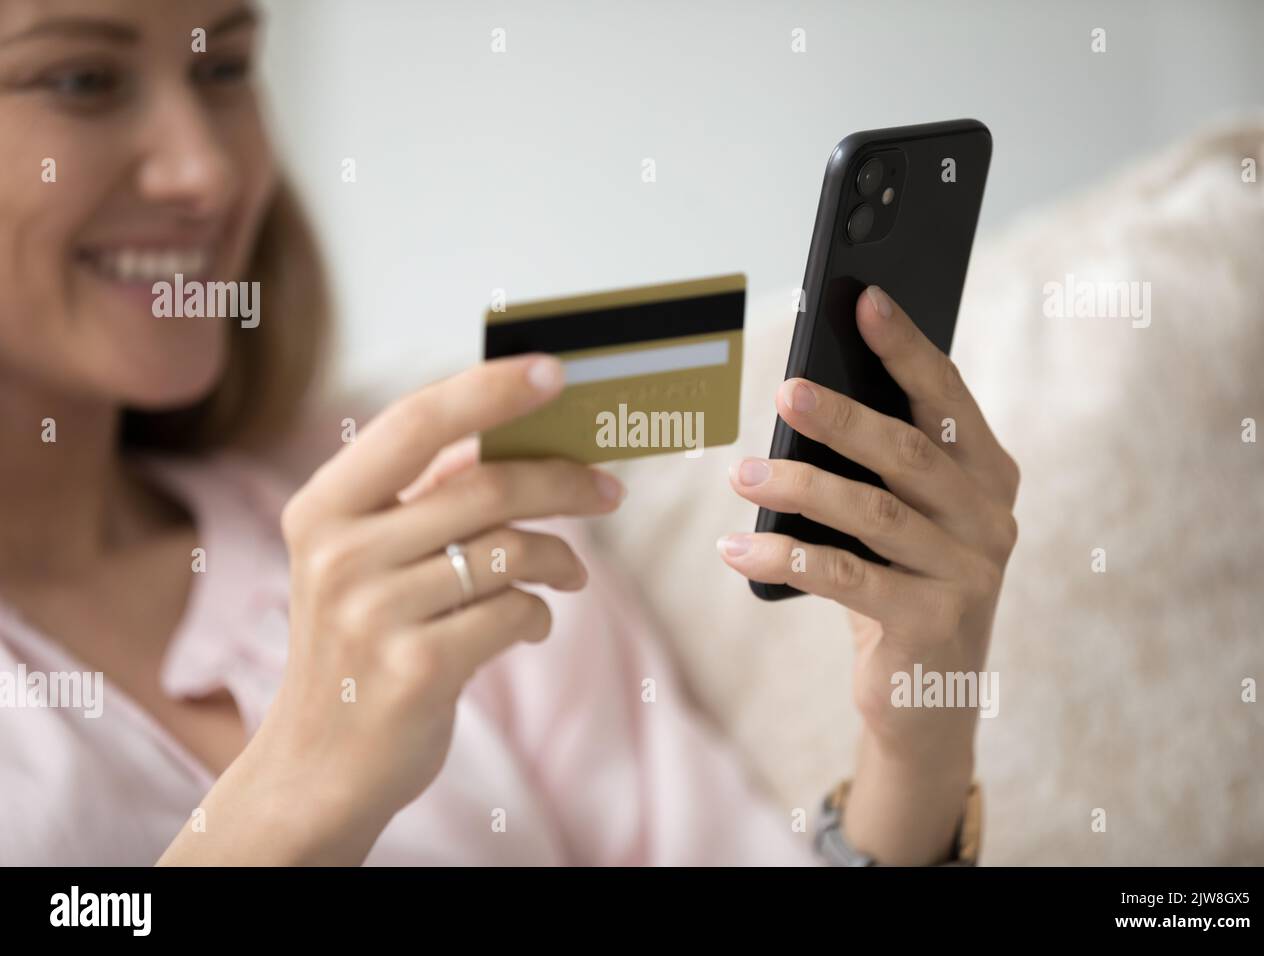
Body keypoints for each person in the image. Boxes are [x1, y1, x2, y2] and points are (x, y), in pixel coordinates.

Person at [0, 0, 1019, 866]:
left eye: (224, 65)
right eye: (82, 80)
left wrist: (915, 749)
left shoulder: (435, 516)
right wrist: (279, 807)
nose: (207, 174)